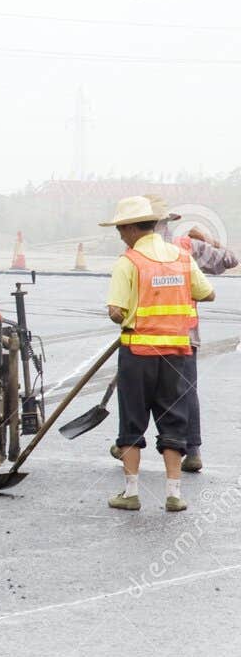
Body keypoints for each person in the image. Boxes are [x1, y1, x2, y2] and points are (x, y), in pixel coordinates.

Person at [101, 195, 215, 513]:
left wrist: (127, 315)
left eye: (121, 229)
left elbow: (115, 310)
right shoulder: (181, 258)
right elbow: (208, 293)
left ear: (132, 228)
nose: (120, 235)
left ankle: (131, 493)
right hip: (177, 353)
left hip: (138, 352)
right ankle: (174, 495)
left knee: (132, 421)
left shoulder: (129, 261)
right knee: (174, 422)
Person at [148, 196, 236, 473]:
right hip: (184, 335)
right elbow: (230, 260)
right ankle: (192, 449)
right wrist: (210, 239)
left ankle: (130, 443)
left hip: (145, 337)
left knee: (143, 392)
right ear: (166, 224)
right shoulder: (188, 247)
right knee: (185, 392)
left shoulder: (135, 255)